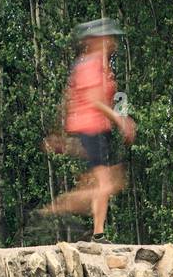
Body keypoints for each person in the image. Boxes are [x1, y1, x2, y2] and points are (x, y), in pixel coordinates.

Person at [40, 18, 136, 243]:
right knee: (107, 184)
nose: (112, 41)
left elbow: (68, 98)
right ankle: (62, 205)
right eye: (108, 37)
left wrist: (60, 135)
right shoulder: (92, 65)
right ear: (97, 40)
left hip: (95, 129)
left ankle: (97, 232)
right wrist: (120, 120)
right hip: (91, 127)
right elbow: (93, 100)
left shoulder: (93, 65)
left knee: (107, 182)